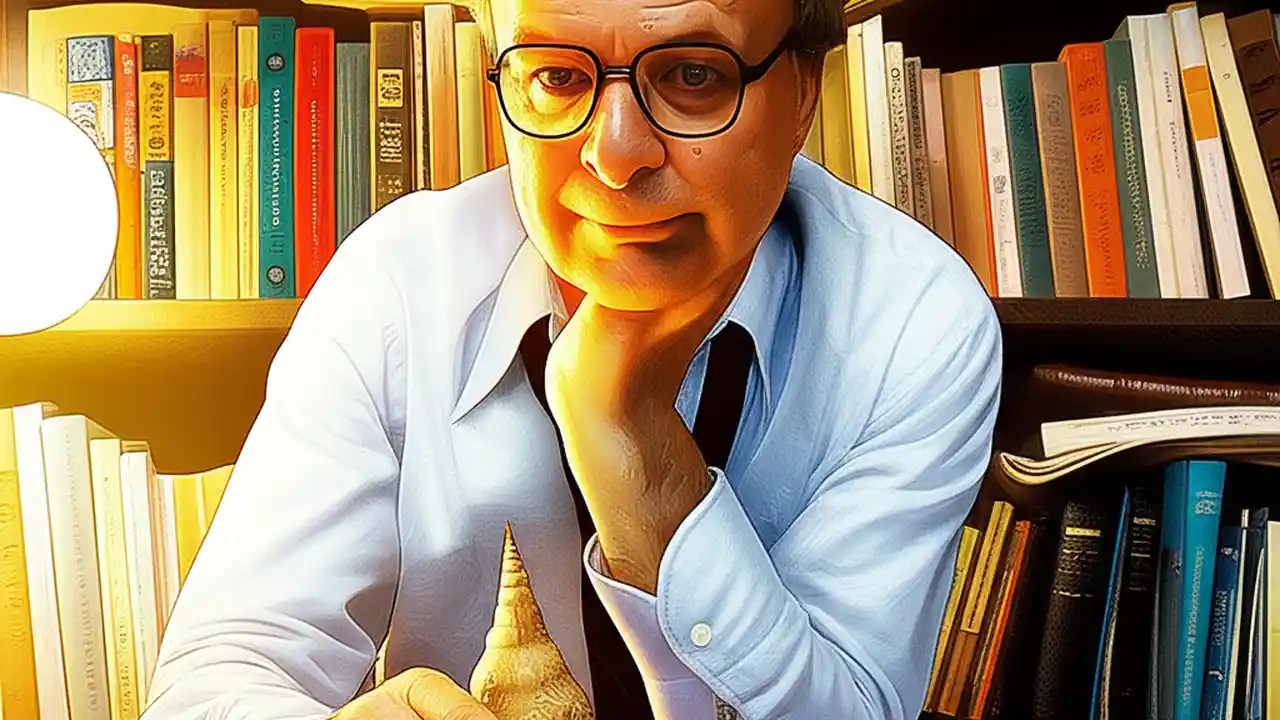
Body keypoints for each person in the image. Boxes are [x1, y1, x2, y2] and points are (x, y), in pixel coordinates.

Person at [141, 0, 1003, 716]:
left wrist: (631, 445)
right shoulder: (397, 288)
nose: (614, 154)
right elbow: (217, 679)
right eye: (555, 75)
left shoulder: (912, 321)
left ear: (805, 89)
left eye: (692, 74)